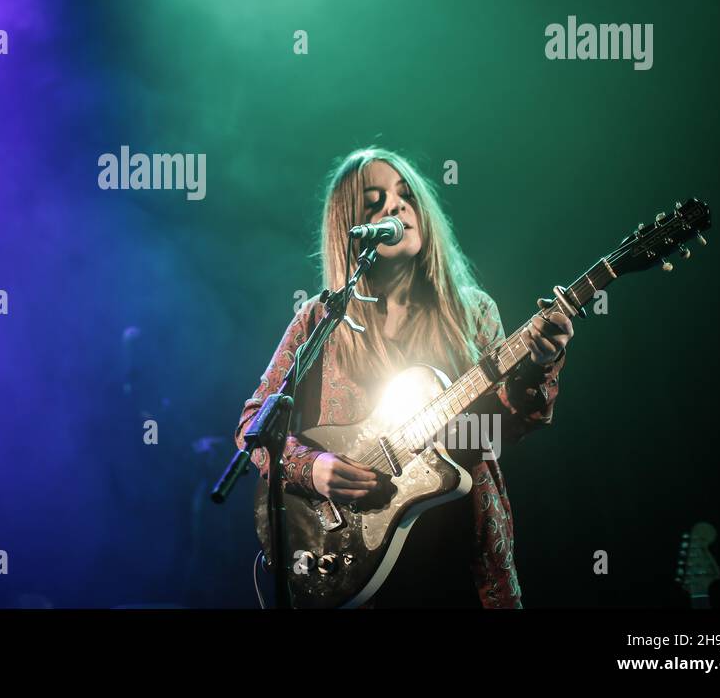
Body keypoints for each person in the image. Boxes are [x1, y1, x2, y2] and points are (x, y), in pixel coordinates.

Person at [235, 147, 573, 608]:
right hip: (354, 563)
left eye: (405, 195)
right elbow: (255, 424)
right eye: (374, 202)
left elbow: (507, 429)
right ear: (349, 228)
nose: (395, 207)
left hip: (457, 555)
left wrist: (537, 364)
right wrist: (314, 469)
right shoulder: (319, 320)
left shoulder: (472, 312)